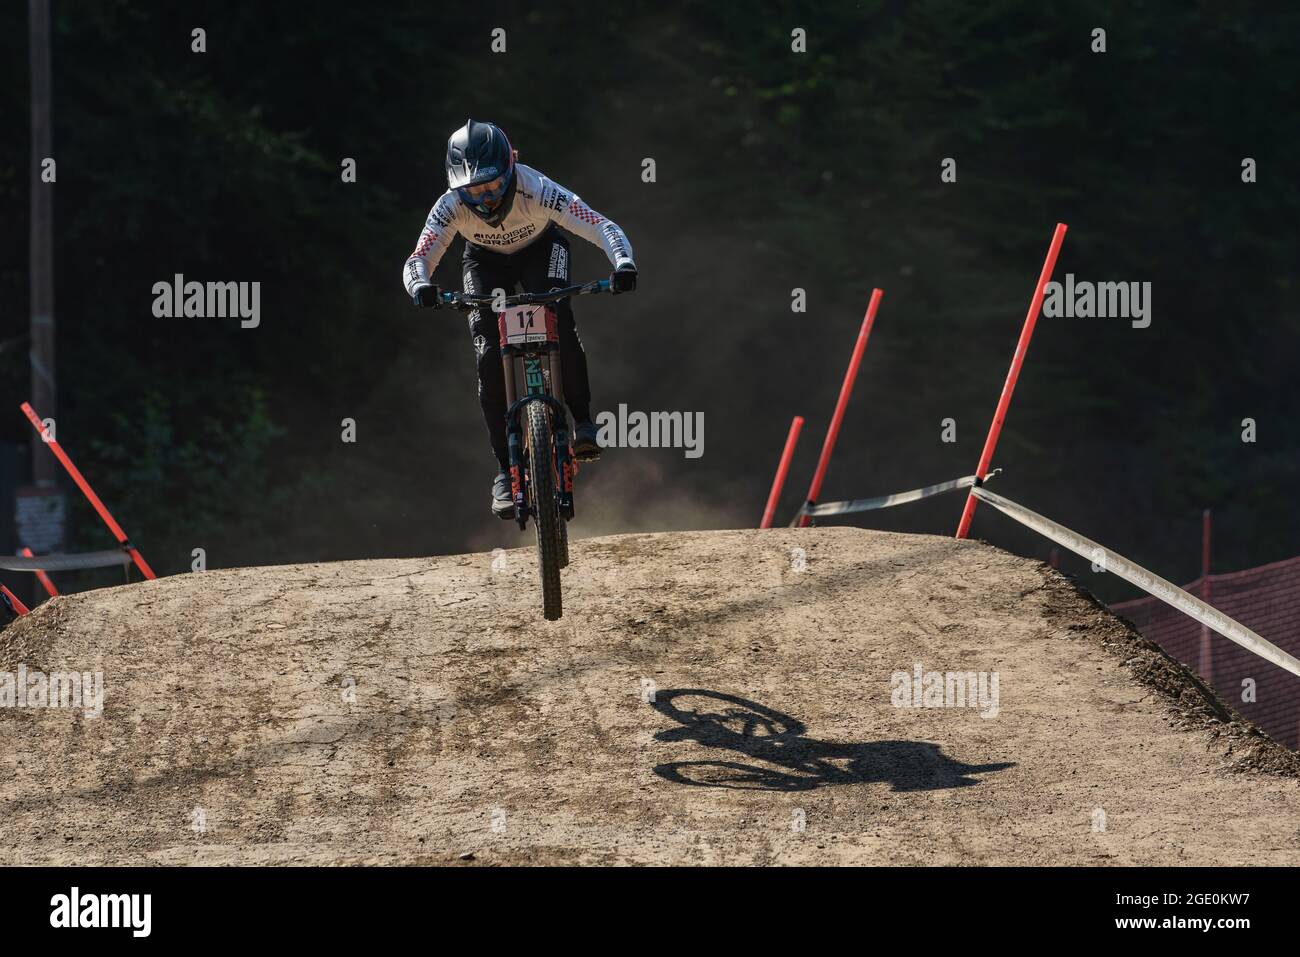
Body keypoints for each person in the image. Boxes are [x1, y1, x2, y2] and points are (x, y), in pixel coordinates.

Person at [404, 119, 638, 518]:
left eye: (493, 185)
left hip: (541, 250)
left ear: (510, 168)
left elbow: (600, 225)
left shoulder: (538, 189)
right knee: (487, 355)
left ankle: (582, 423)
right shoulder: (448, 207)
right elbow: (418, 258)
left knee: (558, 317)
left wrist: (623, 262)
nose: (485, 198)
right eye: (473, 190)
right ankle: (502, 470)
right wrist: (420, 286)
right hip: (483, 262)